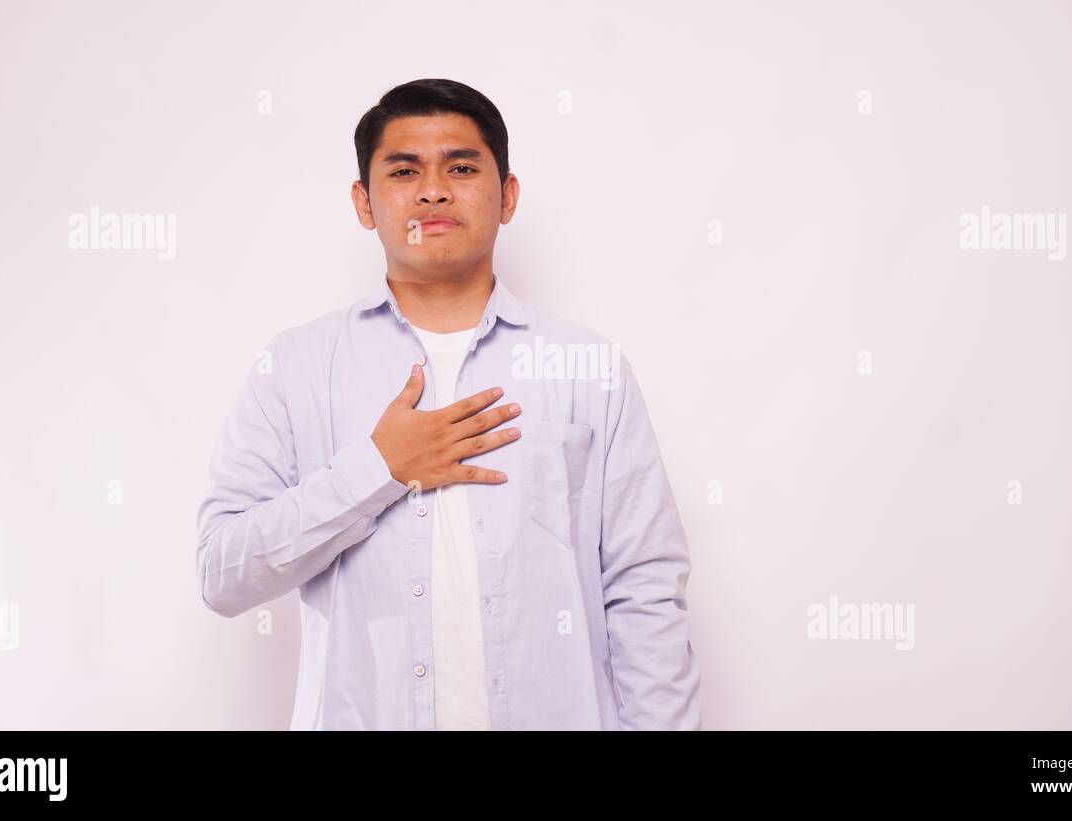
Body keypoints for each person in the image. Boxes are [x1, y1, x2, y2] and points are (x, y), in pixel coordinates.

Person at [196, 78, 700, 730]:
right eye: (404, 170)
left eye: (461, 167)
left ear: (508, 194)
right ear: (364, 202)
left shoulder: (589, 368)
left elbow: (646, 591)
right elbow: (222, 572)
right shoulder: (294, 367)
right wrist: (379, 467)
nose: (433, 190)